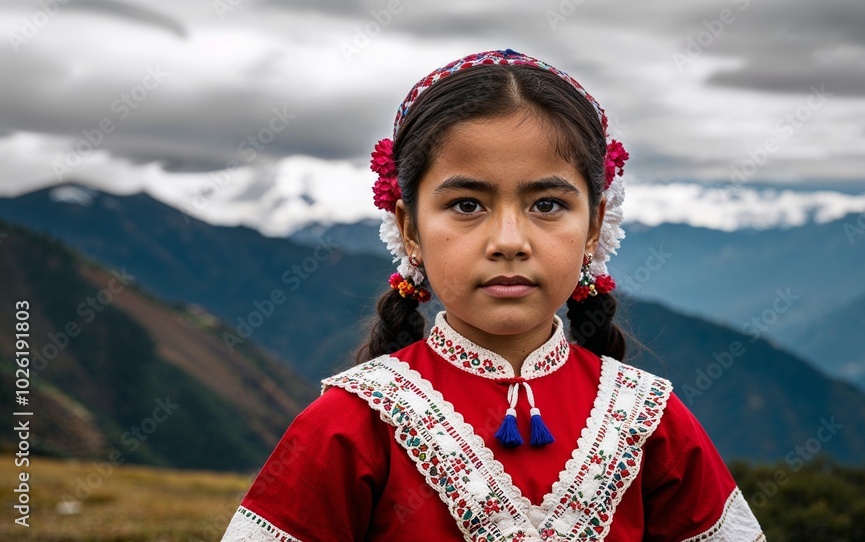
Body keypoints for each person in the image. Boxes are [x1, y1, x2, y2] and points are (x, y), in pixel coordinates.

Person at [220, 49, 765, 541]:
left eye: (547, 204)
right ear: (408, 227)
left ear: (595, 226)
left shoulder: (648, 419)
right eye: (466, 205)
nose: (509, 242)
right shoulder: (351, 425)